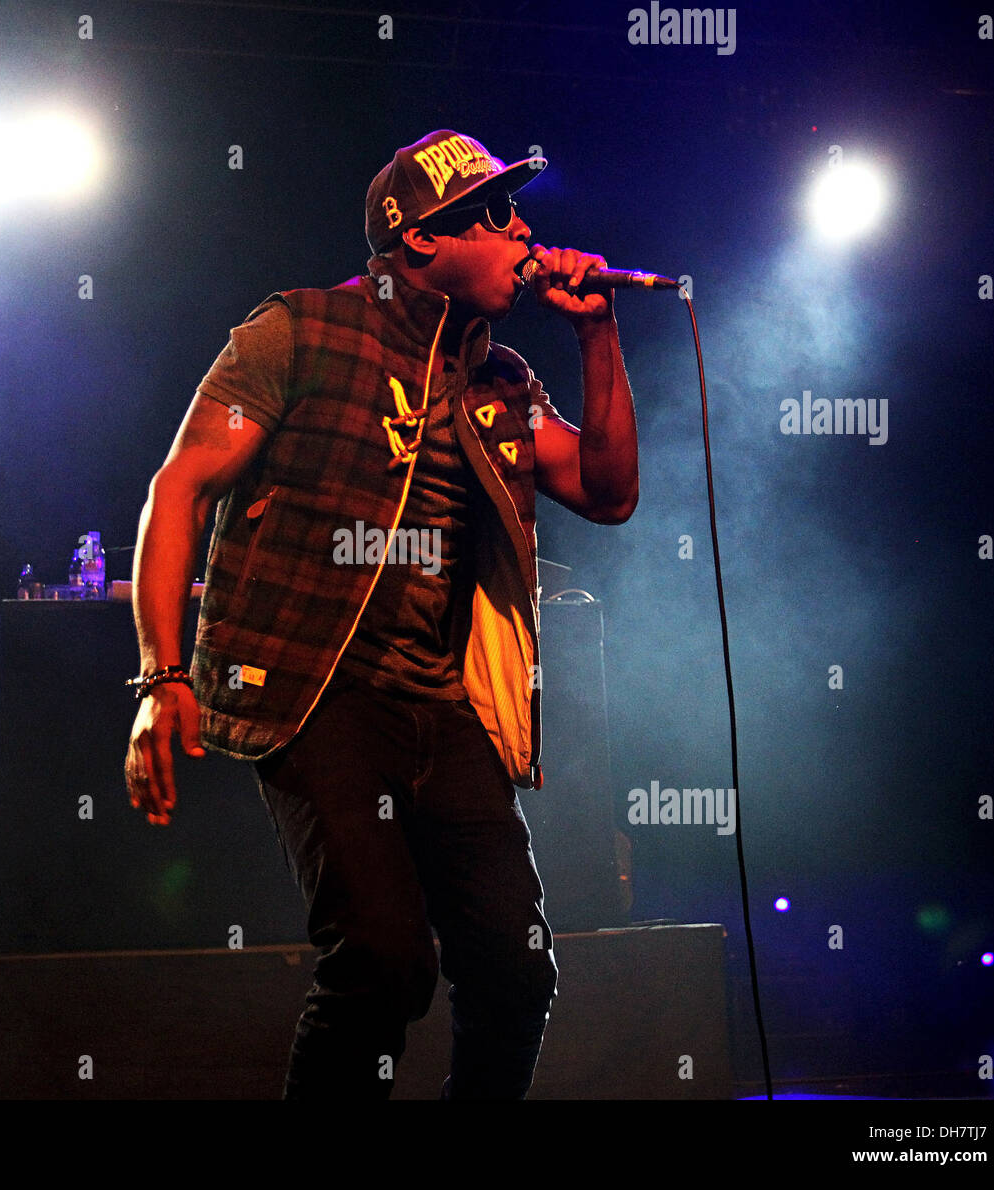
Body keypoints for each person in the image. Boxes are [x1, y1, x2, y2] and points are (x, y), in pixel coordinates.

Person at [124, 130, 639, 1099]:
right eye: (493, 214)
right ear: (418, 243)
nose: (522, 229)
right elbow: (179, 486)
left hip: (441, 710)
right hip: (315, 693)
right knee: (384, 958)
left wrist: (597, 331)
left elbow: (608, 491)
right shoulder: (299, 332)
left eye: (514, 208)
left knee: (516, 969)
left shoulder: (500, 380)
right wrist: (160, 677)